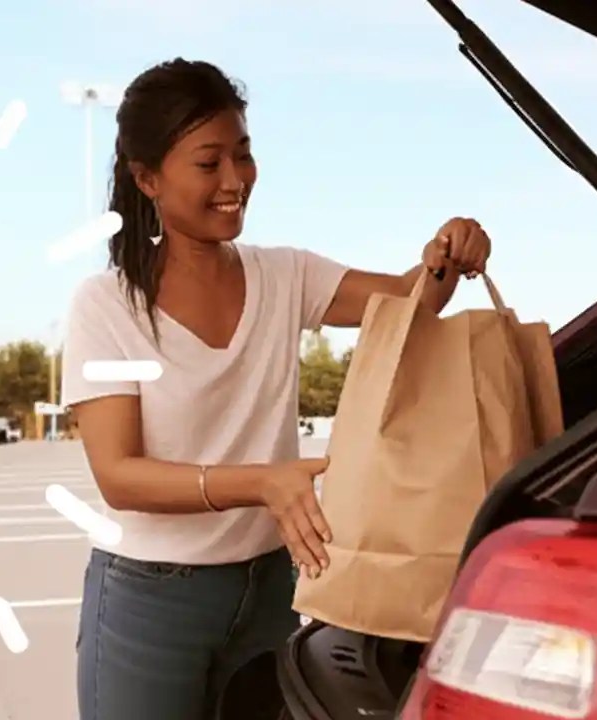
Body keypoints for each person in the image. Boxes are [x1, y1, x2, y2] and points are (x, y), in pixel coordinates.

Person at [60, 58, 493, 720]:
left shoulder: (284, 275)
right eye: (209, 164)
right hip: (150, 603)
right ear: (147, 178)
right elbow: (120, 477)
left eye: (244, 155)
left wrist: (449, 252)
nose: (235, 181)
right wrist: (262, 482)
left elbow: (410, 303)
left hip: (270, 589)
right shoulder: (105, 305)